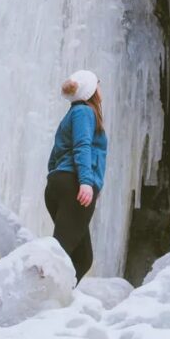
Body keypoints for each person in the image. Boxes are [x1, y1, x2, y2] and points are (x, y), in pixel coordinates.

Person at [45, 69, 107, 284]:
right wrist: (86, 182)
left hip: (60, 183)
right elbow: (83, 146)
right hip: (74, 184)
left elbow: (53, 158)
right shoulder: (83, 112)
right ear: (91, 91)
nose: (100, 87)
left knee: (82, 258)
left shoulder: (71, 115)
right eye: (98, 83)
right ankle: (35, 302)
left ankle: (56, 300)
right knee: (59, 253)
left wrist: (58, 181)